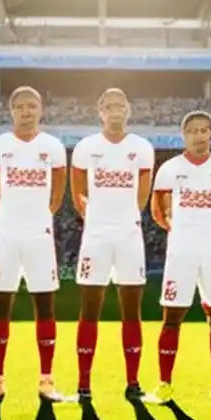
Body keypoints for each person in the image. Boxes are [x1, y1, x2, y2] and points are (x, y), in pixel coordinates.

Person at [0, 86, 68, 402]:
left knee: (45, 307)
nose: (26, 111)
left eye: (32, 105)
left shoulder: (53, 147)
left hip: (39, 236)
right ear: (11, 110)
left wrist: (37, 217)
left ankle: (46, 380)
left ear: (40, 109)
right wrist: (11, 217)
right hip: (5, 235)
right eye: (20, 106)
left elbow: (57, 195)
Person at [144, 111, 211, 404]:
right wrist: (180, 231)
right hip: (180, 251)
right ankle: (164, 384)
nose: (199, 136)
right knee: (172, 317)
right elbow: (158, 210)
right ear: (184, 135)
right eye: (193, 131)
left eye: (204, 130)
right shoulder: (169, 169)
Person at [70, 88, 155, 402]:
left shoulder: (142, 148)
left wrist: (126, 217)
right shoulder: (86, 147)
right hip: (96, 237)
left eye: (121, 104)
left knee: (131, 311)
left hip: (129, 236)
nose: (115, 110)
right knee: (89, 309)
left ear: (128, 109)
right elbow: (78, 192)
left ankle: (133, 382)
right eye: (109, 106)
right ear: (100, 110)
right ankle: (83, 384)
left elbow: (142, 196)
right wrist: (94, 217)